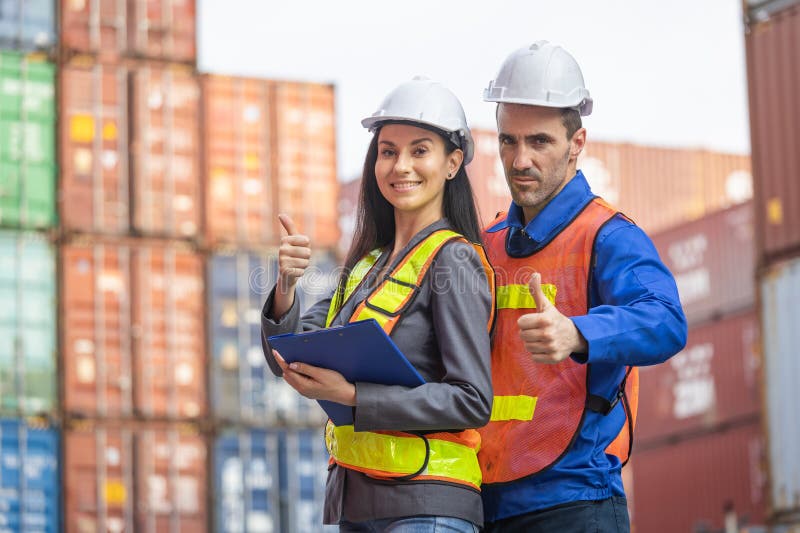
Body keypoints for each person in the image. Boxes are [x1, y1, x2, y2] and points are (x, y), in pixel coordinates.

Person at [261, 77, 495, 532]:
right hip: (357, 504)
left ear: (453, 163)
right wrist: (287, 286)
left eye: (419, 151)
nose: (400, 166)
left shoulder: (454, 259)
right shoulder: (366, 265)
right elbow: (287, 355)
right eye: (388, 152)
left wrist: (350, 395)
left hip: (428, 506)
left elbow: (471, 400)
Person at [477, 41, 688, 532]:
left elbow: (666, 319)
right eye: (508, 141)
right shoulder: (485, 243)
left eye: (540, 142)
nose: (519, 159)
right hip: (484, 503)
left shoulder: (609, 235)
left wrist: (577, 334)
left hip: (575, 504)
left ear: (577, 143)